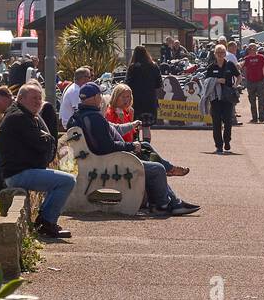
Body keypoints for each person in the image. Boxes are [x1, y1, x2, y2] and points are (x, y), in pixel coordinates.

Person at [71, 83, 200, 216]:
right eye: (100, 95)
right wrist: (130, 146)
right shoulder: (94, 118)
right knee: (157, 169)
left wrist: (132, 135)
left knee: (145, 148)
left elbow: (112, 131)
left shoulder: (80, 116)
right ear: (96, 97)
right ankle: (163, 204)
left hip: (97, 159)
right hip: (108, 162)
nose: (102, 98)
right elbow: (106, 147)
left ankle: (172, 200)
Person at [0, 83, 76, 240]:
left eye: (40, 98)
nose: (38, 102)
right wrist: (47, 140)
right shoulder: (19, 117)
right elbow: (42, 143)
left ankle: (45, 220)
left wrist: (46, 140)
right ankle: (46, 222)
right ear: (20, 98)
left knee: (64, 179)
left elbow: (46, 142)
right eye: (33, 98)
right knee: (67, 181)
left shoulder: (24, 115)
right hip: (18, 174)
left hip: (23, 170)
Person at [203, 44, 241, 153]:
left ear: (225, 54)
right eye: (218, 52)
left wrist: (235, 85)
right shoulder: (211, 67)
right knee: (216, 122)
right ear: (215, 54)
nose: (220, 54)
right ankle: (218, 145)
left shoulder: (230, 65)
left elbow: (239, 76)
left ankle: (227, 141)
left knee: (228, 121)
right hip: (215, 98)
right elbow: (206, 82)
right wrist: (217, 81)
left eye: (222, 52)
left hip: (228, 97)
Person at [125, 46, 163, 128]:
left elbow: (127, 84)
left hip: (136, 100)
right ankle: (146, 141)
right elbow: (159, 84)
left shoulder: (133, 67)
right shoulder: (154, 66)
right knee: (146, 126)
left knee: (134, 125)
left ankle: (134, 140)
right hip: (150, 100)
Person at [241, 43, 264, 123]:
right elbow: (244, 69)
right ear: (248, 50)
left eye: (253, 49)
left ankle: (262, 117)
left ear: (256, 49)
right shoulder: (246, 58)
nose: (252, 50)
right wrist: (246, 79)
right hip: (250, 81)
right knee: (252, 100)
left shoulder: (261, 57)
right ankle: (254, 117)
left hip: (260, 81)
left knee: (261, 99)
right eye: (250, 49)